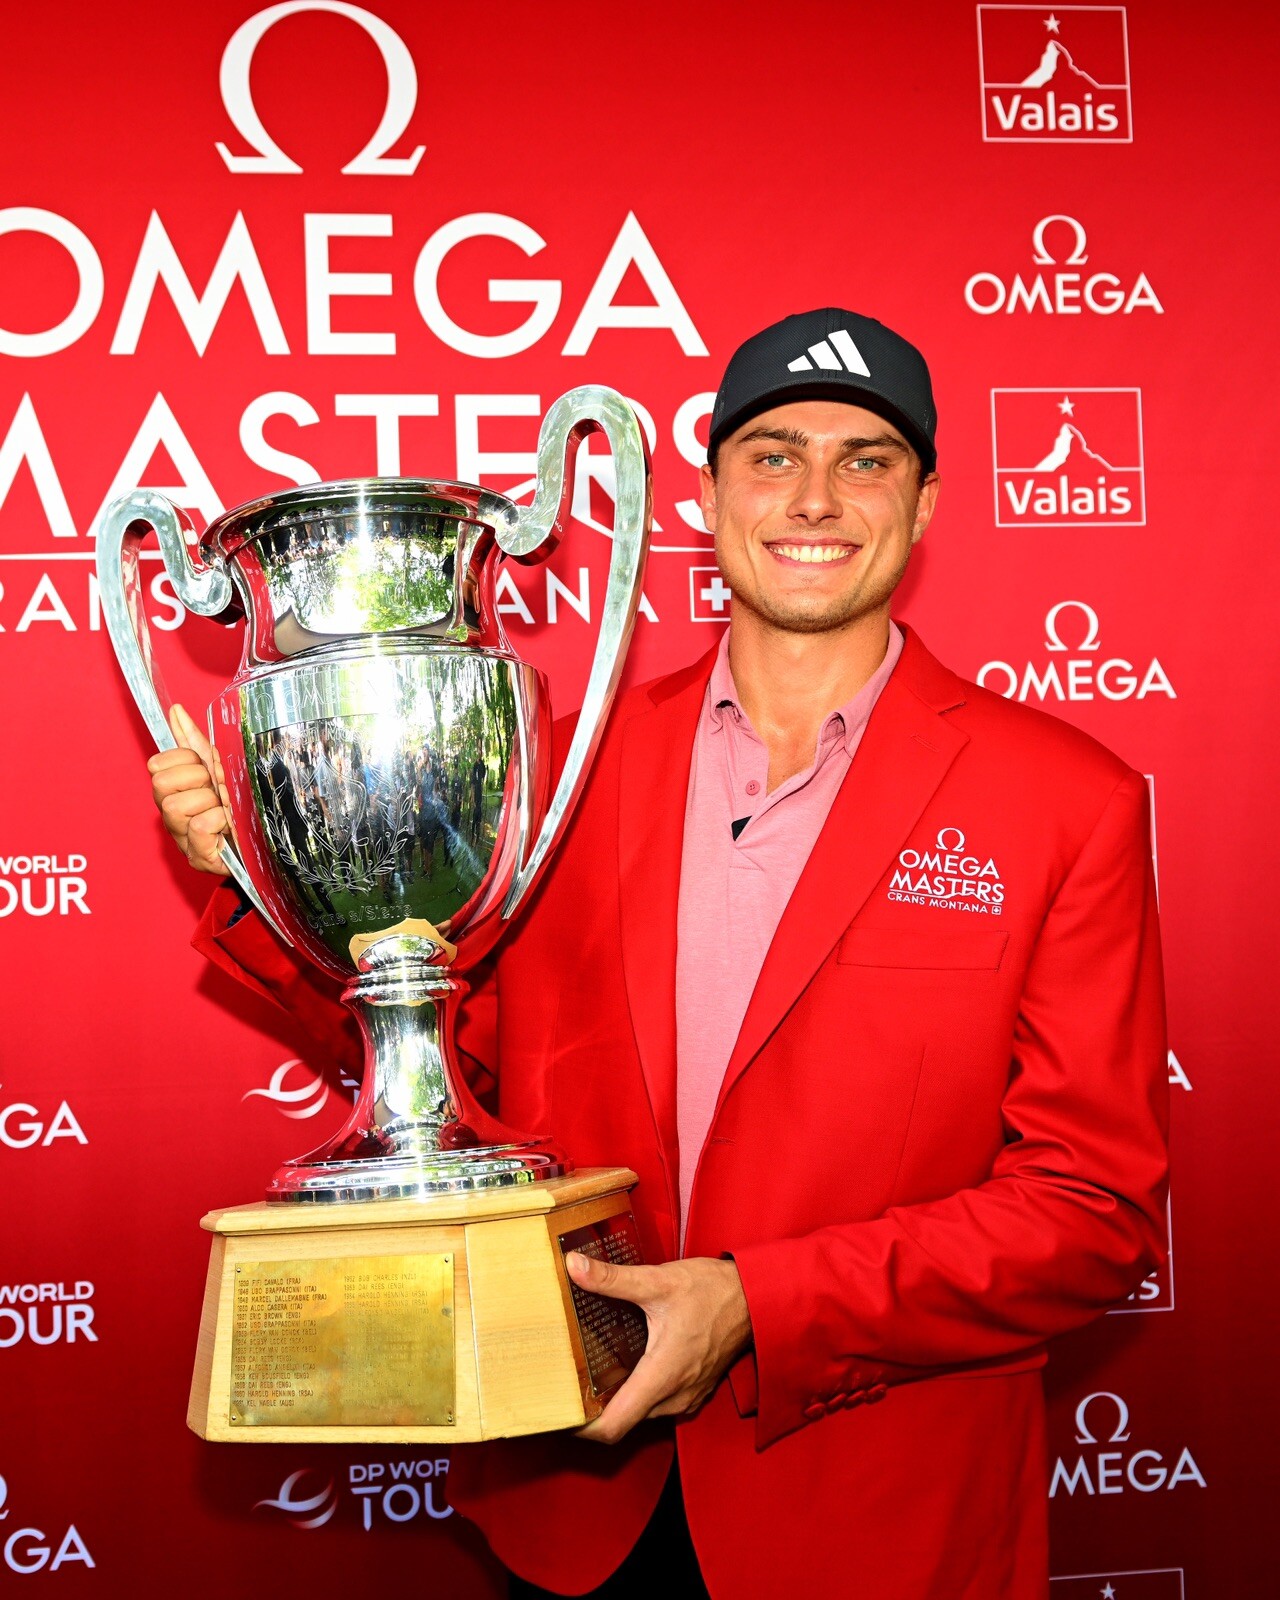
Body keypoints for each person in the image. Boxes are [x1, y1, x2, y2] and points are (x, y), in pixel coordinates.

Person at [147, 309, 1168, 1599]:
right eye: (772, 453)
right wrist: (255, 875)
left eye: (867, 460)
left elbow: (1092, 1210)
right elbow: (436, 1063)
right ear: (704, 494)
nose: (815, 496)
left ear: (926, 505)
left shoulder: (1063, 798)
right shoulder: (553, 768)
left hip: (877, 1517)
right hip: (575, 1503)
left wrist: (760, 1301)